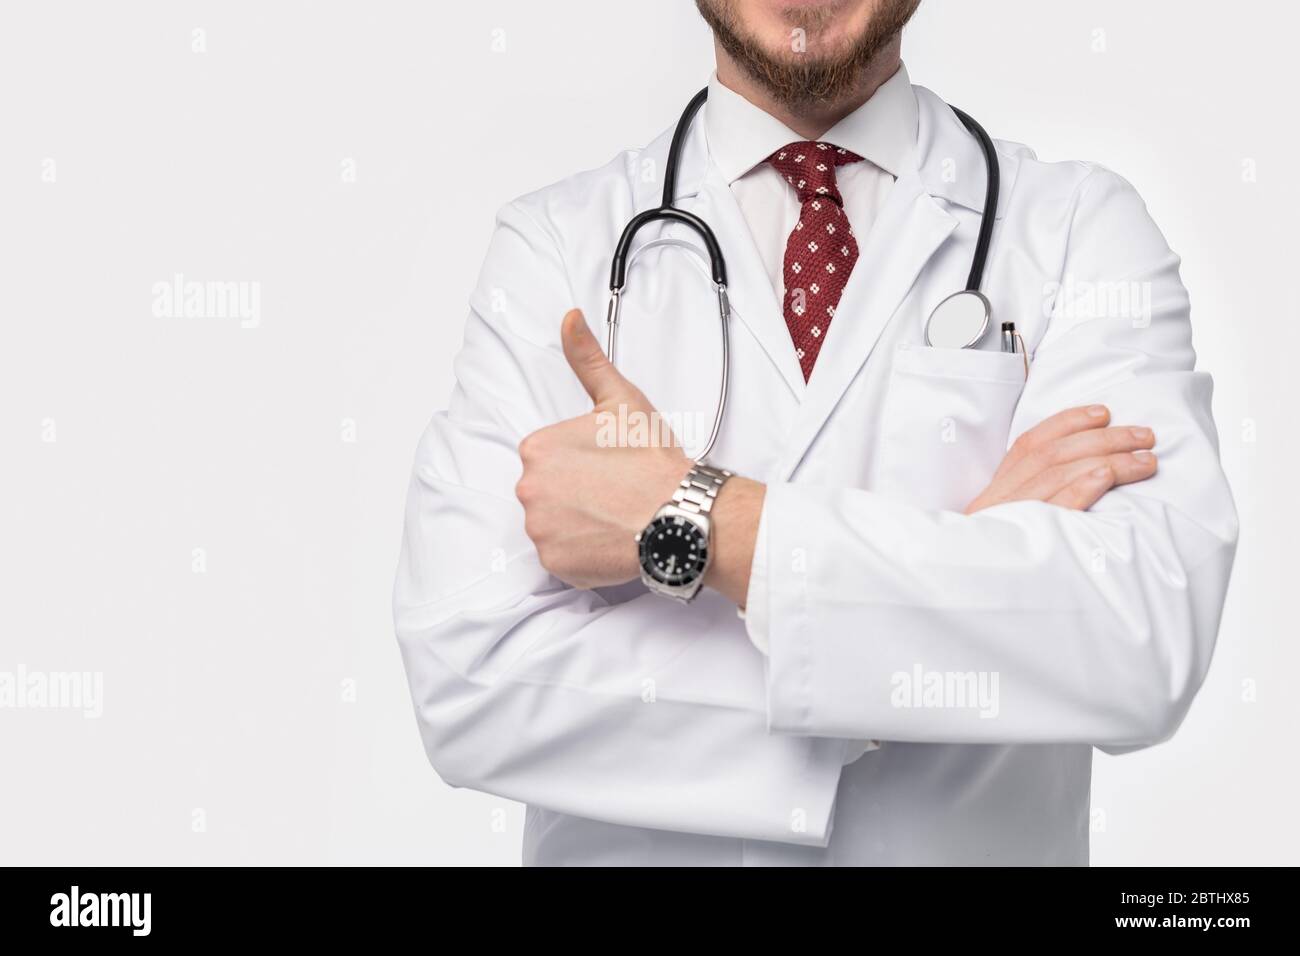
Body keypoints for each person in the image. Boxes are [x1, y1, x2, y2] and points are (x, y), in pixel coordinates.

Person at [393, 0, 1237, 865]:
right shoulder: (555, 249)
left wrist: (699, 522)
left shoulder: (1077, 233)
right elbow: (472, 678)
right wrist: (945, 613)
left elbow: (1137, 640)